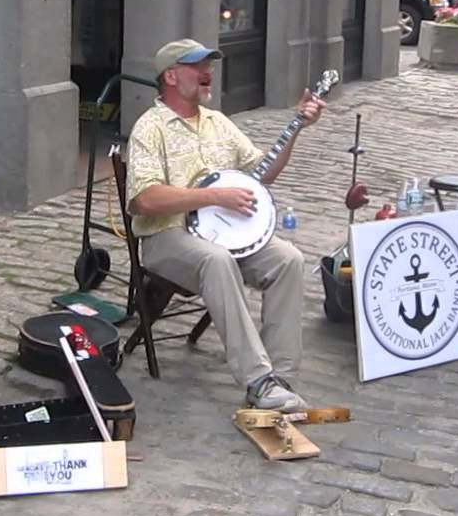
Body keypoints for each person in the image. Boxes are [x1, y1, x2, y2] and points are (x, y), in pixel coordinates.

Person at [125, 39, 324, 412]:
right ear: (170, 75)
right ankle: (257, 381)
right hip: (167, 237)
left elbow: (264, 173)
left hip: (227, 235)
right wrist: (214, 198)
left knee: (288, 259)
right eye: (197, 66)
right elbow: (144, 200)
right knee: (216, 261)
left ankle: (280, 375)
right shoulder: (150, 128)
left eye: (210, 66)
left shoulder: (218, 122)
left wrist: (297, 126)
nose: (208, 73)